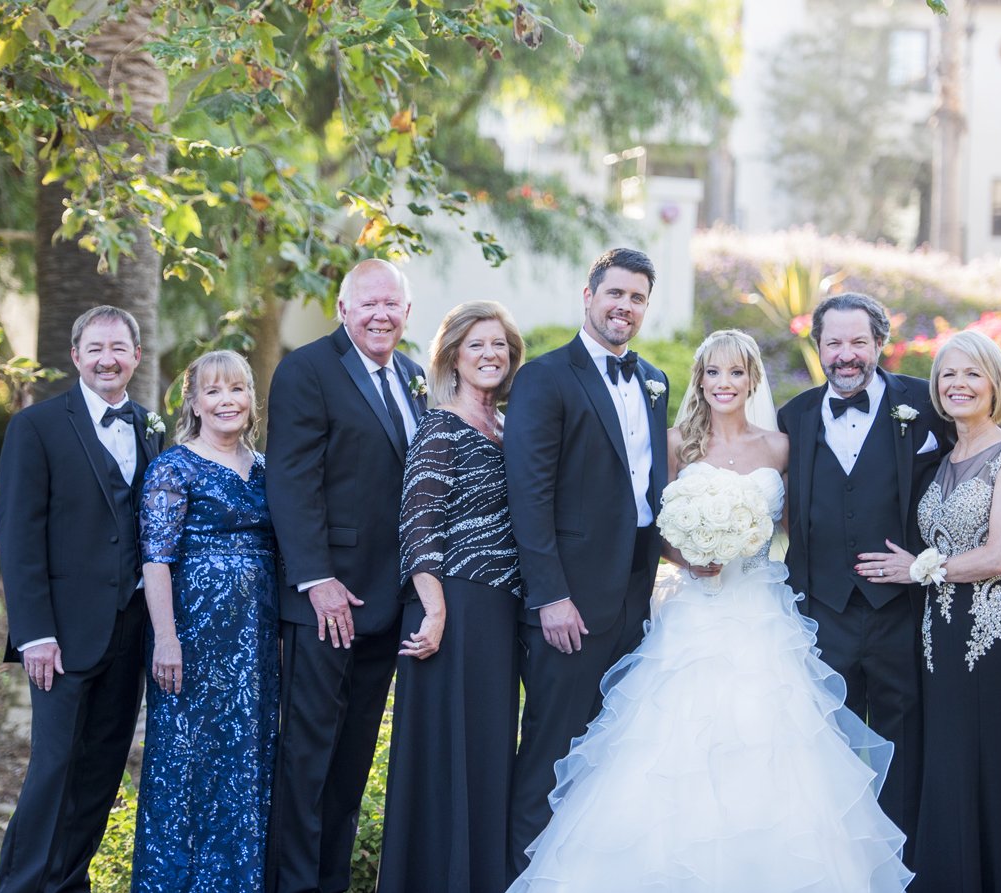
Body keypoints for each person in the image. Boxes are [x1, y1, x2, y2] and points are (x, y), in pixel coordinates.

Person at [509, 330, 912, 892]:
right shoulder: (677, 444)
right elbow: (656, 528)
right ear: (699, 379)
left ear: (753, 380)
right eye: (713, 373)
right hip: (692, 611)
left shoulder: (779, 447)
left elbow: (804, 529)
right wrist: (691, 554)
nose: (725, 384)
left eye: (737, 373)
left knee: (769, 741)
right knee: (669, 746)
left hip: (760, 611)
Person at [858, 330, 1001, 893]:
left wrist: (918, 568)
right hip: (938, 631)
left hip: (997, 630)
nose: (958, 385)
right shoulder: (942, 455)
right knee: (948, 761)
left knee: (993, 761)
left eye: (972, 374)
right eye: (948, 375)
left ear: (996, 383)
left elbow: (998, 555)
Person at [504, 247, 670, 879]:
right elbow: (529, 492)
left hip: (634, 594)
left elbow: (646, 489)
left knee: (607, 757)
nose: (624, 306)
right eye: (615, 294)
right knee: (551, 750)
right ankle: (521, 878)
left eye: (637, 298)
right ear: (589, 294)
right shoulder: (547, 377)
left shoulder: (653, 378)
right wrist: (549, 595)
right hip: (568, 600)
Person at [265, 258, 428, 893]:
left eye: (392, 304)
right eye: (368, 304)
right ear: (343, 309)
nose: (381, 314)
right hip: (325, 602)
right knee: (307, 760)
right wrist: (314, 577)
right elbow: (292, 480)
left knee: (353, 759)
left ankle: (330, 882)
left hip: (388, 603)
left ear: (407, 313)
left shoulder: (415, 377)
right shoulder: (307, 370)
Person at [0, 306, 163, 893]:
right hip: (61, 637)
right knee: (52, 773)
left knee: (101, 772)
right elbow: (18, 538)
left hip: (130, 629)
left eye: (119, 348)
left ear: (136, 357)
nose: (107, 358)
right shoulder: (36, 427)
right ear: (76, 356)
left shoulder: (150, 426)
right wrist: (34, 633)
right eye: (96, 348)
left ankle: (69, 884)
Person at [776, 293, 951, 847]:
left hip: (902, 608)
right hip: (821, 608)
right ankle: (840, 862)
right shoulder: (794, 416)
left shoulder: (925, 403)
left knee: (903, 738)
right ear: (819, 346)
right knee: (829, 741)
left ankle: (904, 861)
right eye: (834, 343)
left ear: (880, 343)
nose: (846, 355)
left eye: (858, 342)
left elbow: (983, 465)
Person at [377, 301, 525, 893]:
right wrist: (435, 611)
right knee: (444, 758)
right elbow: (418, 523)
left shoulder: (509, 427)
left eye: (500, 346)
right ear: (453, 358)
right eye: (477, 345)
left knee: (488, 755)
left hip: (499, 609)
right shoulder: (440, 426)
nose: (490, 355)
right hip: (450, 607)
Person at [130, 350, 279, 892]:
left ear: (251, 400)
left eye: (237, 389)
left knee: (248, 762)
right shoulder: (173, 467)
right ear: (193, 402)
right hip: (193, 643)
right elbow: (156, 559)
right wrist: (166, 639)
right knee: (188, 766)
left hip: (256, 644)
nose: (226, 401)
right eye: (213, 391)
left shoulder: (266, 468)